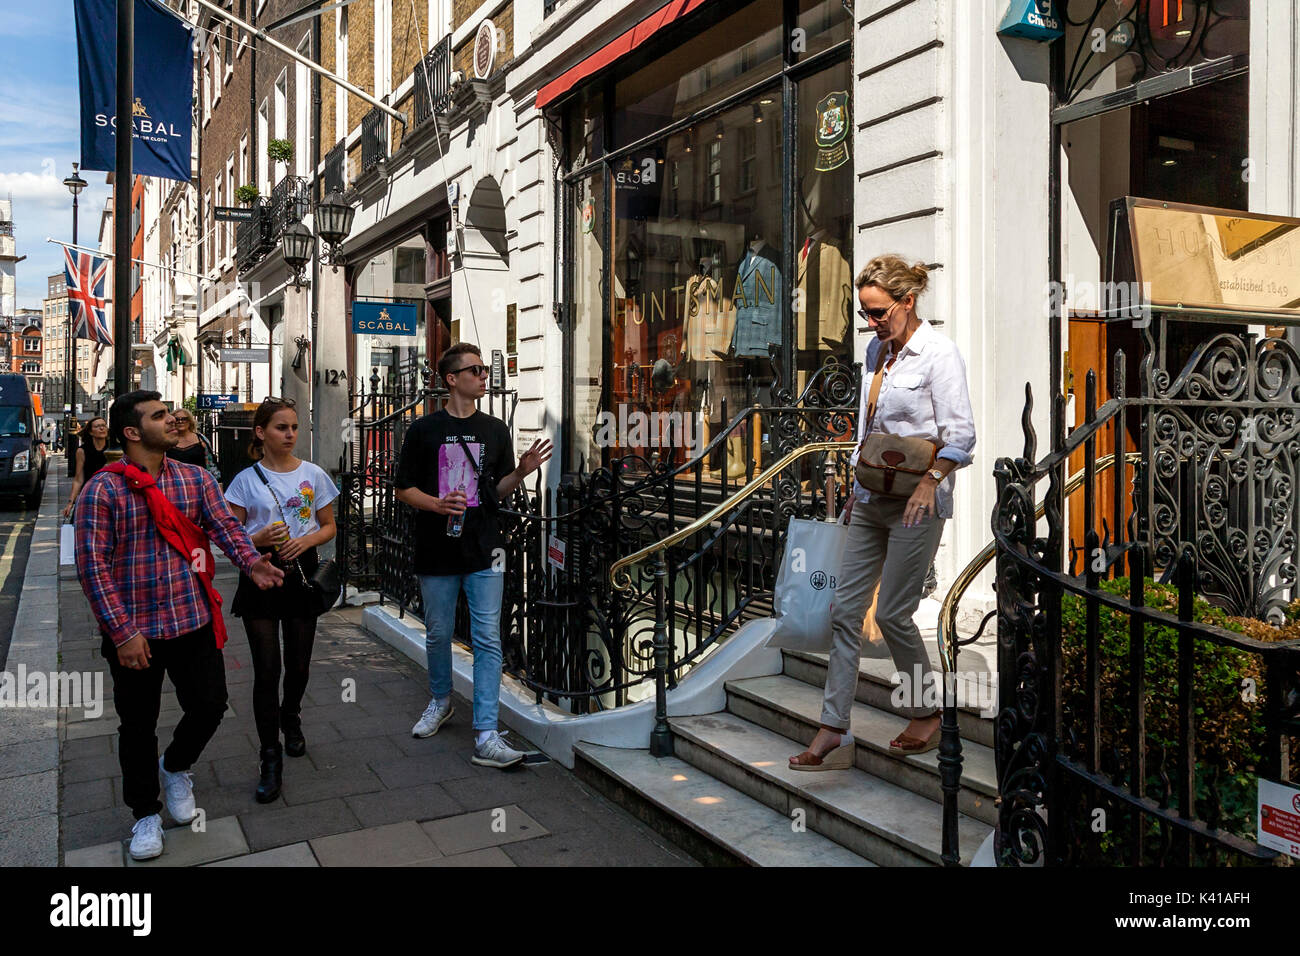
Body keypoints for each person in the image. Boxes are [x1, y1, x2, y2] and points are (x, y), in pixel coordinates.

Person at [75, 390, 285, 861]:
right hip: (136, 632)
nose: (171, 420)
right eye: (159, 416)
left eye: (168, 412)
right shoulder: (103, 490)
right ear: (132, 432)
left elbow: (225, 528)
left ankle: (174, 765)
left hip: (191, 617)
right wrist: (122, 633)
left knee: (210, 705)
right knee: (138, 725)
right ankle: (145, 814)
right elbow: (92, 567)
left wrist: (252, 563)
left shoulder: (195, 479)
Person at [789, 256, 975, 770]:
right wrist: (855, 484)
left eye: (878, 312)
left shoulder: (939, 354)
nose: (870, 323)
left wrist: (931, 481)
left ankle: (926, 712)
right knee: (845, 612)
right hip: (872, 498)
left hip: (917, 504)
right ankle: (833, 727)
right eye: (864, 313)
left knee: (892, 612)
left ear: (907, 302)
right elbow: (868, 426)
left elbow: (962, 435)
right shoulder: (877, 351)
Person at [395, 343, 552, 769]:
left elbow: (494, 493)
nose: (484, 376)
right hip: (436, 547)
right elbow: (403, 488)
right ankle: (441, 700)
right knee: (438, 632)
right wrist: (437, 504)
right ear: (452, 379)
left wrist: (520, 472)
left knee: (487, 638)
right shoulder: (423, 430)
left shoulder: (495, 429)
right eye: (475, 370)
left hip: (485, 547)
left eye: (484, 370)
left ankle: (486, 733)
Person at [224, 398, 338, 803]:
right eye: (281, 427)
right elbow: (229, 535)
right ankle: (269, 757)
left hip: (301, 572)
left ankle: (291, 716)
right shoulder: (244, 481)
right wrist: (257, 539)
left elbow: (328, 525)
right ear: (261, 433)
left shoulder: (313, 474)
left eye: (294, 427)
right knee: (267, 670)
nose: (290, 435)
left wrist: (306, 541)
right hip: (259, 572)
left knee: (299, 664)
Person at [64, 417, 109, 518]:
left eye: (104, 425)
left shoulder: (114, 449)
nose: (102, 428)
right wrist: (70, 503)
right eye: (97, 426)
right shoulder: (82, 451)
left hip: (109, 494)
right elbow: (78, 479)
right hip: (90, 494)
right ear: (91, 432)